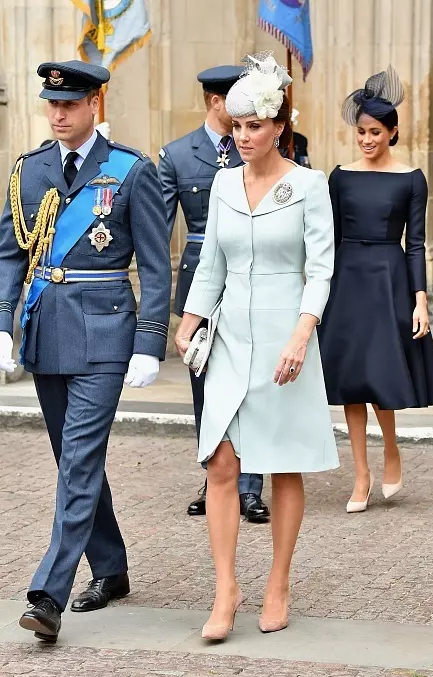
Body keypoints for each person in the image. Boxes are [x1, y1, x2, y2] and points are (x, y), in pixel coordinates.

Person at [0, 60, 171, 641]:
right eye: (52, 104)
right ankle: (113, 565)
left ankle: (50, 593)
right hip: (48, 328)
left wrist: (150, 341)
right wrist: (3, 325)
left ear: (94, 103)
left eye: (69, 104)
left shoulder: (128, 169)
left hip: (105, 331)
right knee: (73, 459)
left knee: (78, 458)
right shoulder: (30, 169)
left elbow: (153, 262)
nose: (58, 114)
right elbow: (9, 254)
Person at [175, 53, 339, 640]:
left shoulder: (308, 185)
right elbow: (210, 265)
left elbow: (321, 269)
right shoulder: (222, 182)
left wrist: (302, 334)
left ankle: (277, 582)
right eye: (237, 126)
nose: (243, 136)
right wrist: (189, 321)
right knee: (221, 461)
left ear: (278, 127)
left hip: (283, 336)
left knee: (281, 463)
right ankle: (225, 589)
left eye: (254, 126)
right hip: (228, 338)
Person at [318, 66, 433, 513]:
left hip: (389, 279)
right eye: (361, 132)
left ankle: (391, 449)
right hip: (346, 282)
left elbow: (415, 244)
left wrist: (420, 300)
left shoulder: (412, 178)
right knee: (352, 381)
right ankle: (361, 474)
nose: (367, 139)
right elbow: (327, 238)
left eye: (375, 132)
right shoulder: (339, 176)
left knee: (378, 377)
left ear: (392, 132)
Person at [158, 65, 269, 523]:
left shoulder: (263, 150)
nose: (243, 115)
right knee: (206, 385)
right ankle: (216, 476)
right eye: (233, 102)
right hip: (201, 276)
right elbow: (157, 231)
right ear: (214, 101)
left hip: (253, 275)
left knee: (254, 382)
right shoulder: (177, 155)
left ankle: (251, 484)